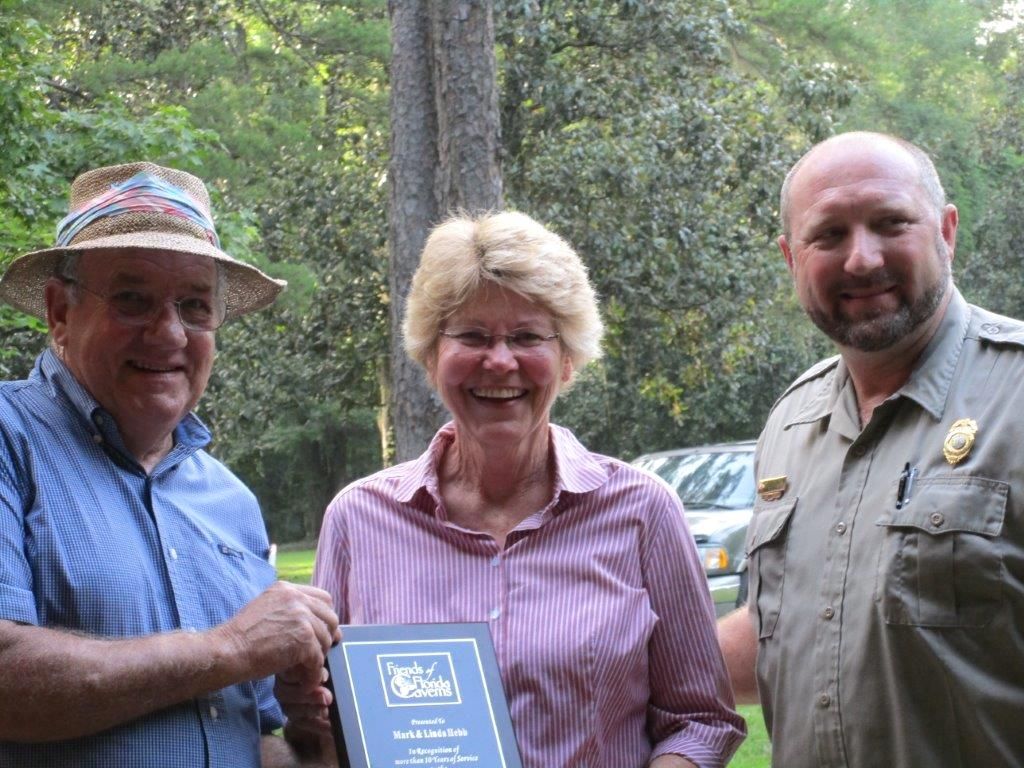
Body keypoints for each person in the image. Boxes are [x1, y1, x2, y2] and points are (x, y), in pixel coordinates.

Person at [278, 211, 745, 767]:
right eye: (472, 335)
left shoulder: (642, 510)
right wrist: (309, 714)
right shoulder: (359, 518)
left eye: (527, 336)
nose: (500, 361)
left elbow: (700, 721)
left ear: (567, 361)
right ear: (431, 357)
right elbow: (332, 734)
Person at [0, 161, 340, 767]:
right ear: (58, 312)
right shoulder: (10, 440)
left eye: (195, 306)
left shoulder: (229, 502)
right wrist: (233, 647)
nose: (169, 332)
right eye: (133, 299)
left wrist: (317, 740)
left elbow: (249, 735)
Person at [718, 131, 1024, 767]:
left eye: (891, 223)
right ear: (790, 257)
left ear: (946, 231)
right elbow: (790, 627)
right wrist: (603, 664)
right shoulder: (790, 423)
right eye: (828, 235)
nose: (860, 259)